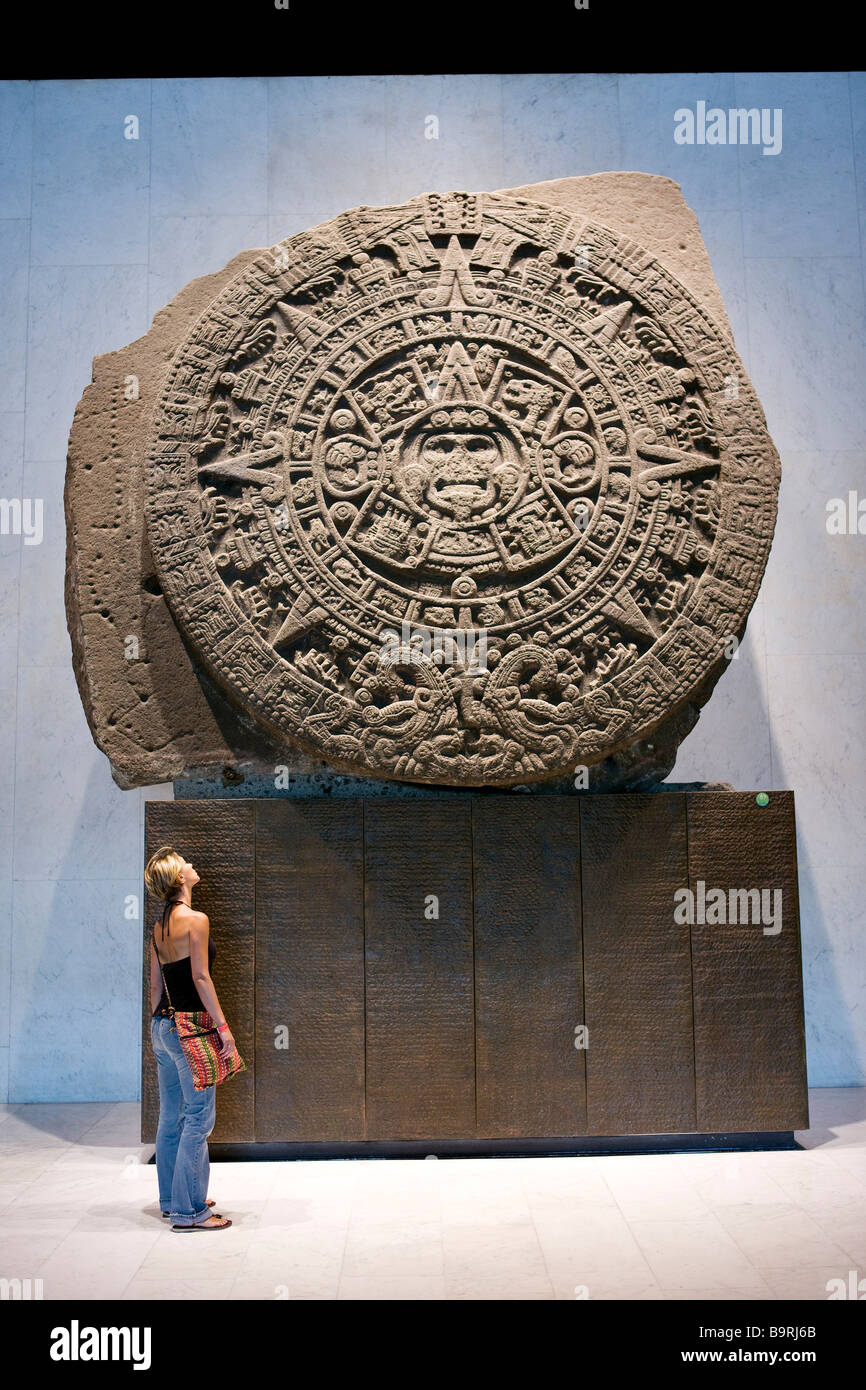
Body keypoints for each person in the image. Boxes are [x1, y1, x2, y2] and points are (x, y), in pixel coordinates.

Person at [145, 846, 235, 1231]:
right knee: (198, 1118)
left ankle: (172, 1198)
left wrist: (160, 1027)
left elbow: (154, 986)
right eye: (187, 863)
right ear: (180, 878)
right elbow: (200, 978)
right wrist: (223, 1028)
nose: (193, 865)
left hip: (161, 1027)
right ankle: (189, 1211)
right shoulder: (196, 920)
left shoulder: (159, 926)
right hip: (189, 1029)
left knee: (171, 1117)